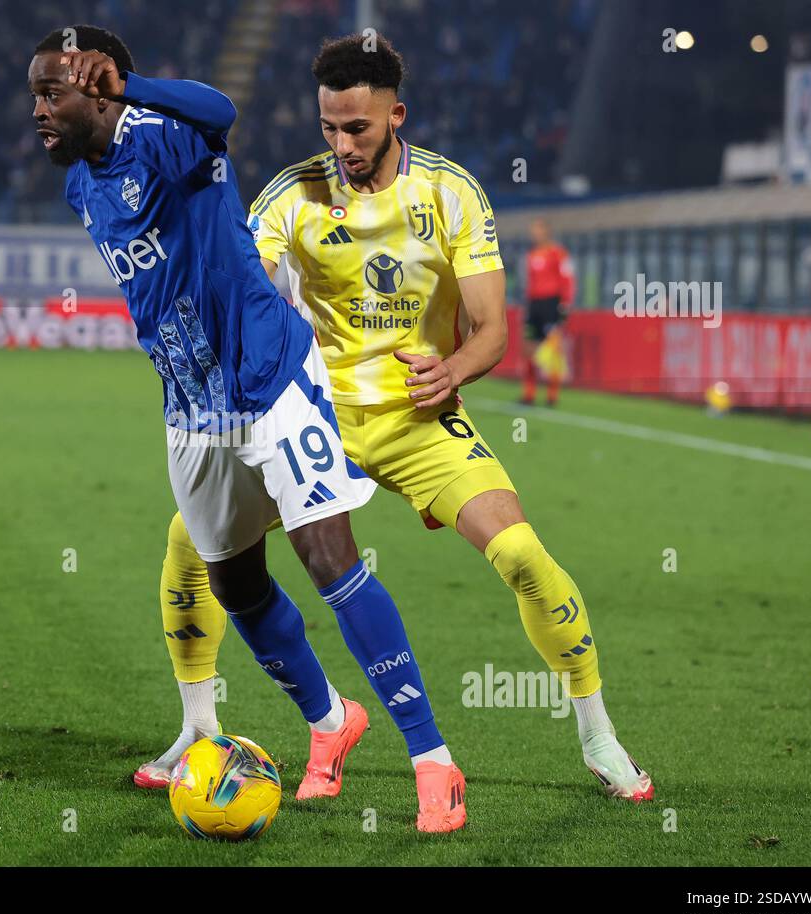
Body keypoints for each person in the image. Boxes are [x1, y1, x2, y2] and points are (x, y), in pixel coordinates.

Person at [135, 32, 653, 807]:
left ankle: (597, 731)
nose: (342, 144)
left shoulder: (452, 193)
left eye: (359, 128)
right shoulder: (290, 195)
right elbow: (242, 274)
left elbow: (490, 329)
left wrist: (453, 369)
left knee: (522, 556)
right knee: (191, 540)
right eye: (330, 128)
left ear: (396, 116)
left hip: (419, 417)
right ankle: (198, 727)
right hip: (318, 412)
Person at [28, 24, 467, 832]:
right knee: (234, 584)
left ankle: (433, 760)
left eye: (53, 93)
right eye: (35, 96)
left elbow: (218, 108)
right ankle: (333, 720)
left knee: (328, 557)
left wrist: (137, 86)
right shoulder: (80, 185)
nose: (39, 112)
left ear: (100, 86)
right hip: (191, 407)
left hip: (269, 378)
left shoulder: (163, 138)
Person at [521, 218, 573, 406]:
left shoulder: (558, 253)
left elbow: (567, 279)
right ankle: (529, 393)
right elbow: (530, 283)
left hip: (551, 304)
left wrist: (565, 305)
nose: (533, 233)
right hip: (534, 305)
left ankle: (552, 395)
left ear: (546, 231)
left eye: (537, 229)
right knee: (529, 349)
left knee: (553, 348)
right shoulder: (531, 254)